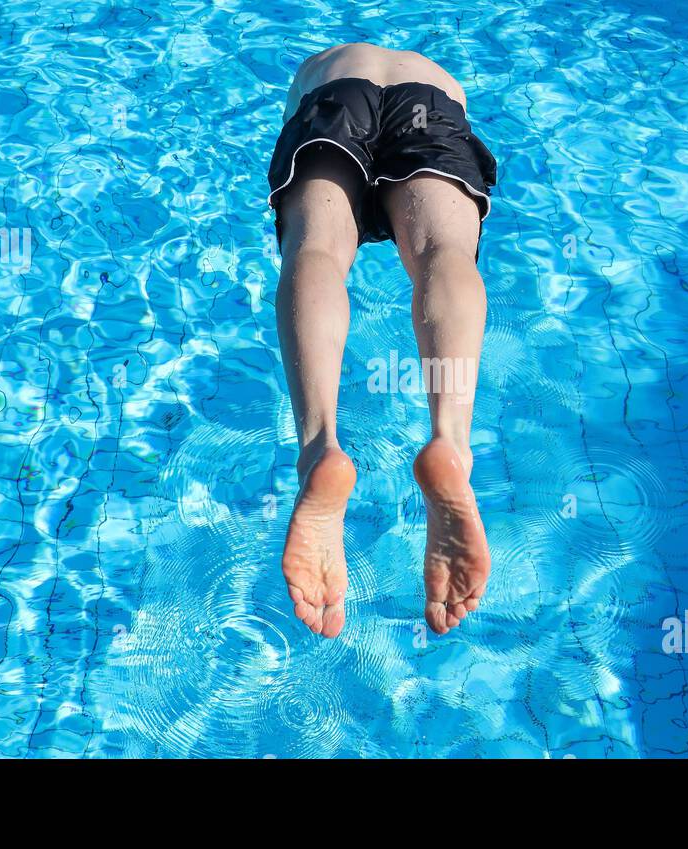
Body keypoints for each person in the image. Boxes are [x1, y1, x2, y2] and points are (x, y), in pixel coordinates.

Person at [267, 43, 497, 638]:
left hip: (332, 95)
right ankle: (451, 443)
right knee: (439, 253)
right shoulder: (434, 69)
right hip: (432, 102)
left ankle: (320, 446)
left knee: (316, 250)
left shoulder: (324, 60)